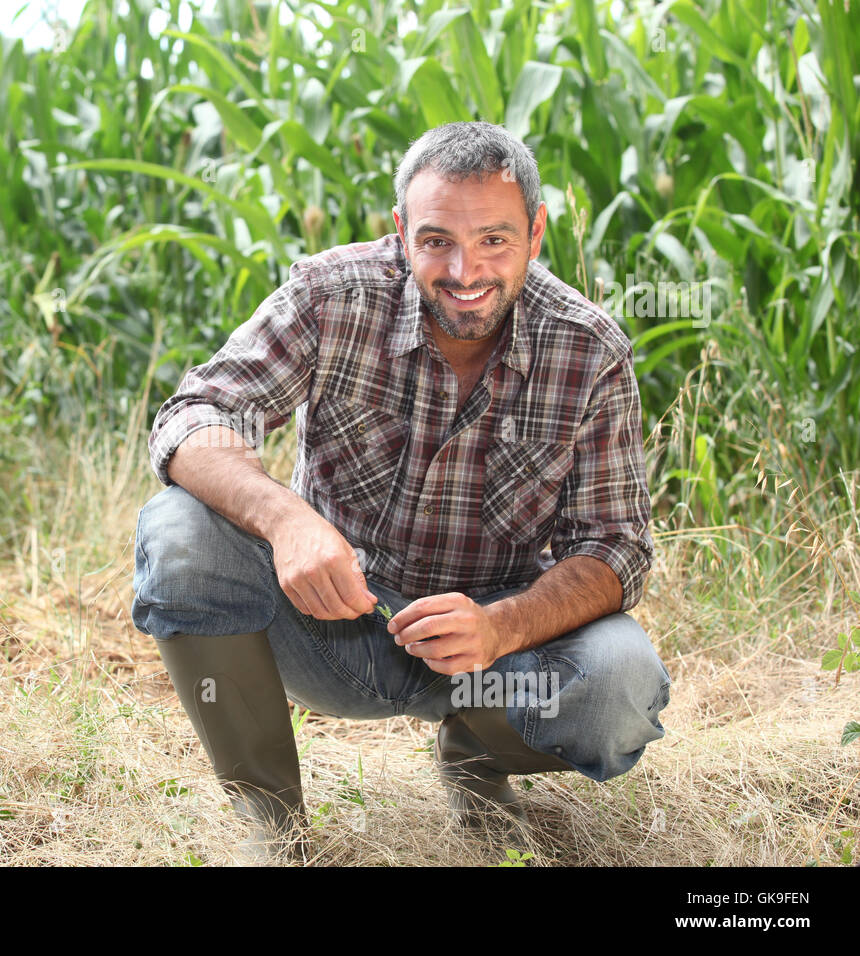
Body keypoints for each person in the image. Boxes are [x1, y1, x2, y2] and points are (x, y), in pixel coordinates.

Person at [130, 121, 672, 864]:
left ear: (537, 231)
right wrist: (287, 521)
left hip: (490, 662)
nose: (464, 269)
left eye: (494, 240)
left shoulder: (588, 347)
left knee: (621, 687)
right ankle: (275, 829)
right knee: (177, 529)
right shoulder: (332, 294)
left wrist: (499, 628)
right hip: (330, 625)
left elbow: (617, 546)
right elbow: (195, 417)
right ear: (399, 230)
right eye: (436, 240)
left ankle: (475, 756)